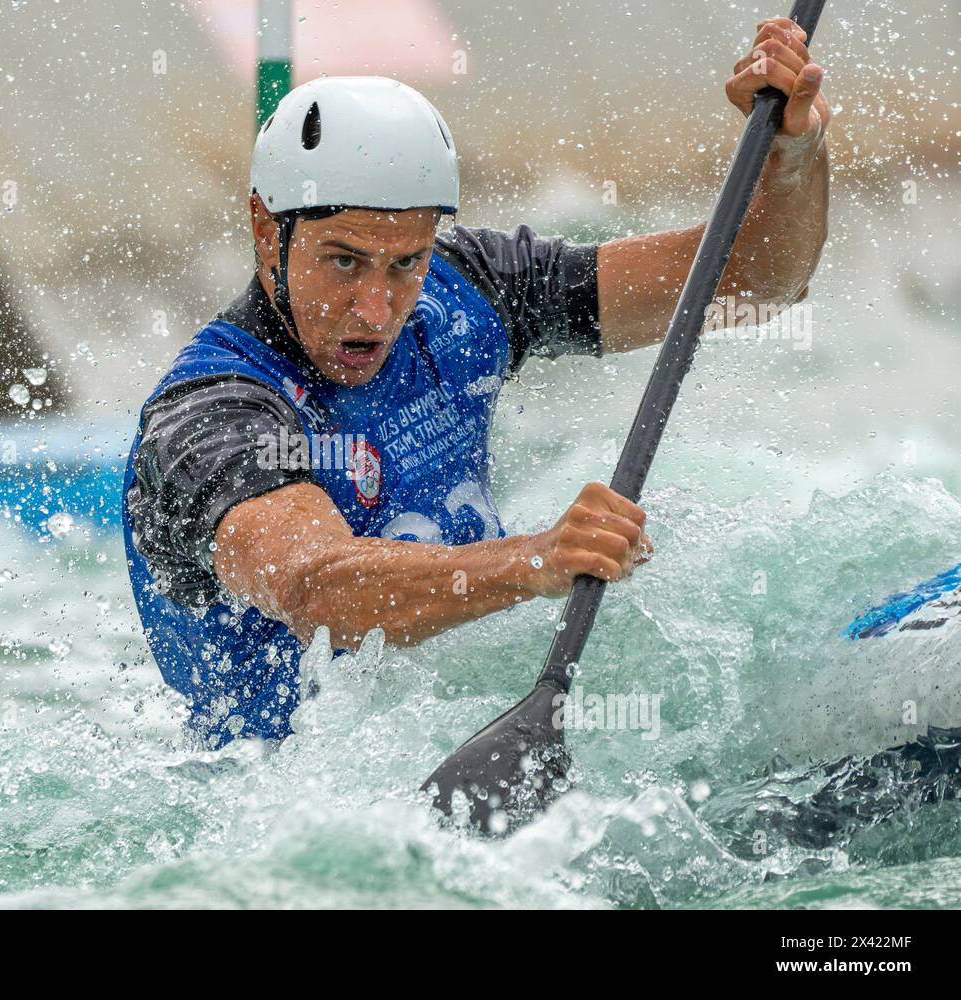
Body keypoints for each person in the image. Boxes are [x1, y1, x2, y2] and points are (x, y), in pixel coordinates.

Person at [122, 17, 830, 748]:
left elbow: (752, 281)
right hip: (288, 790)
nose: (376, 308)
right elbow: (316, 588)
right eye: (343, 261)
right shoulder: (212, 414)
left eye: (406, 262)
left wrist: (792, 148)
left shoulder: (471, 289)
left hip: (463, 721)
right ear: (268, 231)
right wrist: (535, 560)